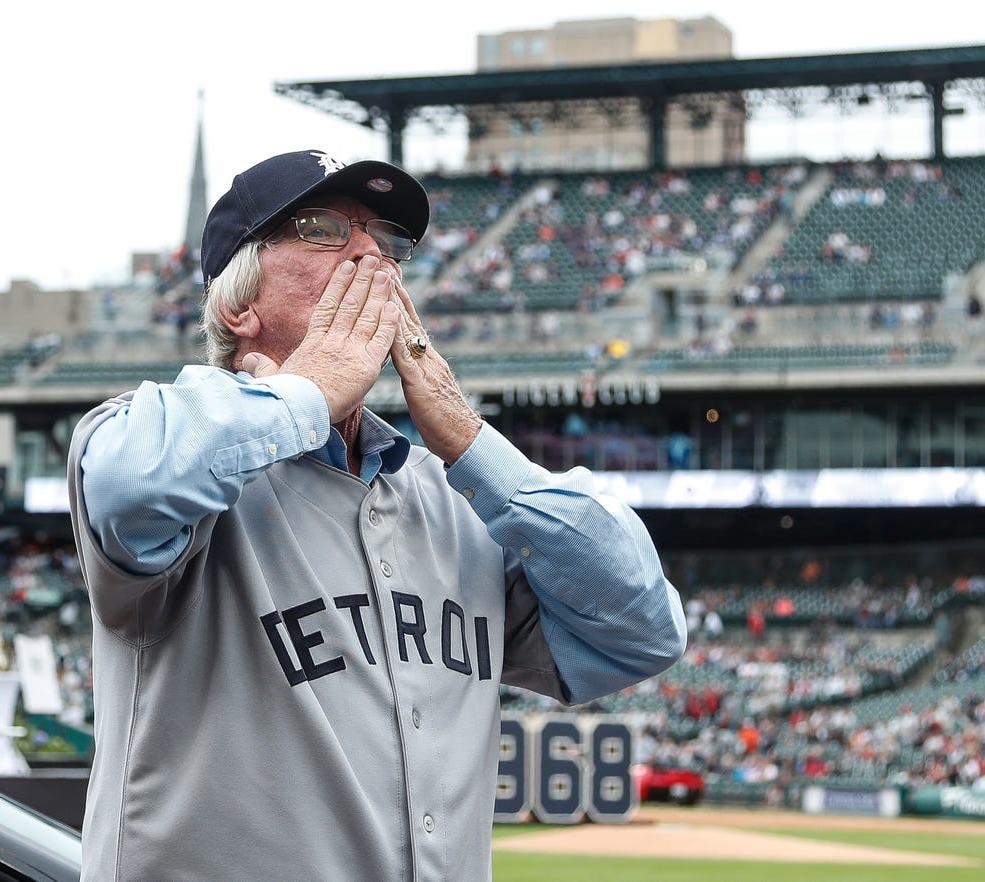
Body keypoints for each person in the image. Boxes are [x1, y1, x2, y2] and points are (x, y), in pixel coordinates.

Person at [67, 149, 686, 881]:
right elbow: (130, 484)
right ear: (239, 304)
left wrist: (469, 439)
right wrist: (307, 394)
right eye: (324, 228)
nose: (372, 254)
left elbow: (645, 629)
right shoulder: (155, 442)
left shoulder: (452, 500)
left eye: (389, 240)